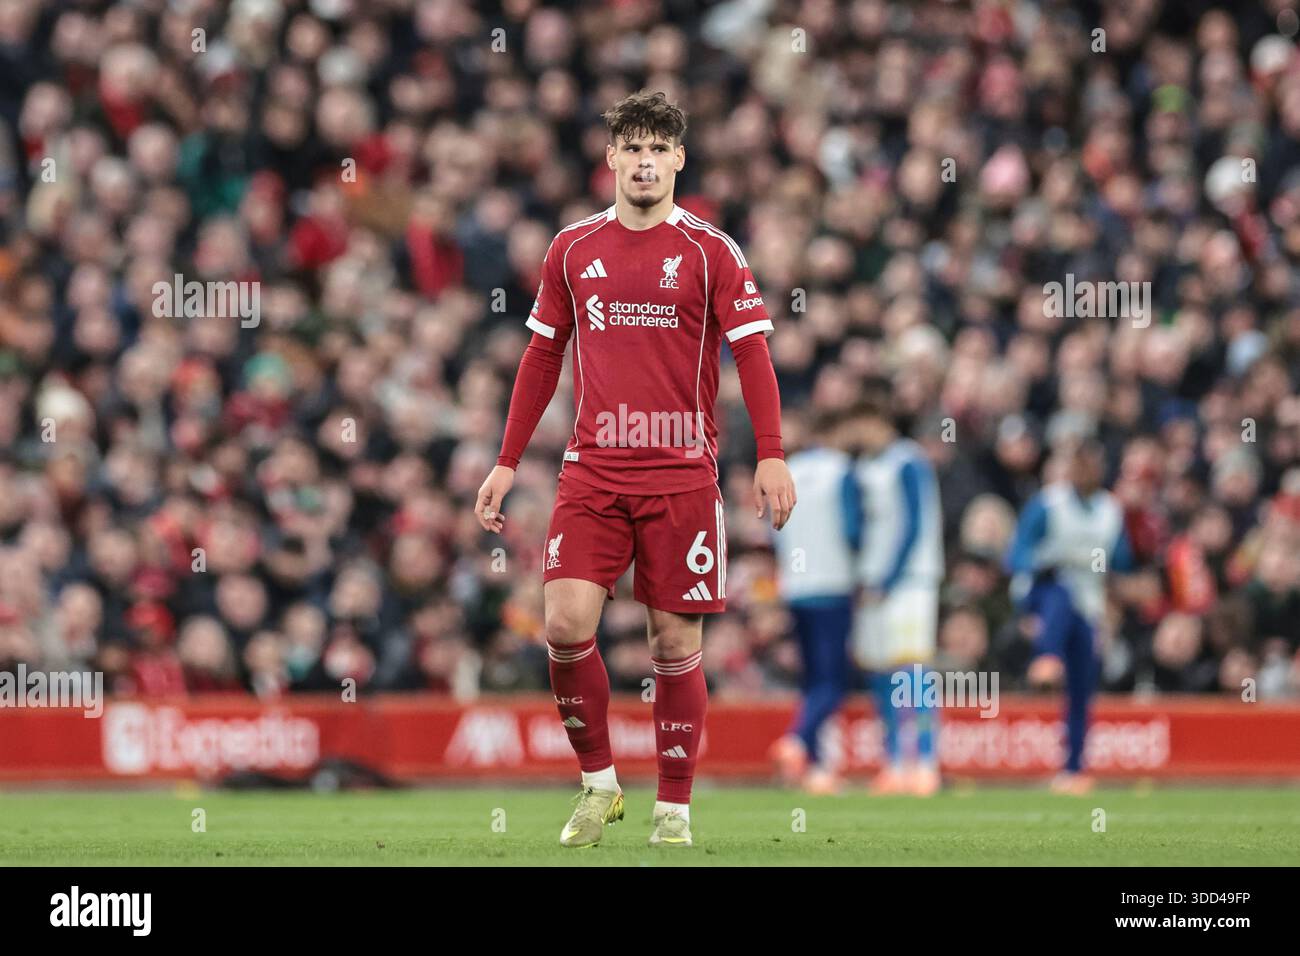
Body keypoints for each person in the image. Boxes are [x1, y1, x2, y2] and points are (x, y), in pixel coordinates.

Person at [474, 91, 796, 848]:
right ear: (611, 158)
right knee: (561, 624)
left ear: (679, 159)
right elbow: (542, 354)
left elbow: (752, 352)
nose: (646, 161)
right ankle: (598, 784)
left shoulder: (712, 251)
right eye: (633, 147)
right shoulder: (572, 249)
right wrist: (505, 461)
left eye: (659, 148)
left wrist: (772, 454)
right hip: (591, 472)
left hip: (682, 474)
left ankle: (674, 809)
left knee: (674, 646)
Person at [1004, 438, 1134, 795]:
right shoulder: (1049, 503)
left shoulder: (1111, 510)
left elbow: (1122, 560)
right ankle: (1046, 655)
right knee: (1061, 592)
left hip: (1088, 602)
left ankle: (1074, 769)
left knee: (1082, 687)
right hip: (1045, 591)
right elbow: (1016, 554)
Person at [846, 394, 945, 797]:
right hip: (872, 582)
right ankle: (893, 762)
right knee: (881, 673)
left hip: (911, 581)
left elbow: (914, 524)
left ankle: (925, 762)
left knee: (914, 671)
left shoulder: (908, 461)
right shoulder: (863, 467)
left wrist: (889, 578)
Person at [770, 407, 861, 795]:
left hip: (796, 586)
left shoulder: (790, 470)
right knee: (832, 680)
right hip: (833, 584)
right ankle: (796, 739)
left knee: (811, 679)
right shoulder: (842, 470)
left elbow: (776, 528)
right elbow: (854, 528)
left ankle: (820, 767)